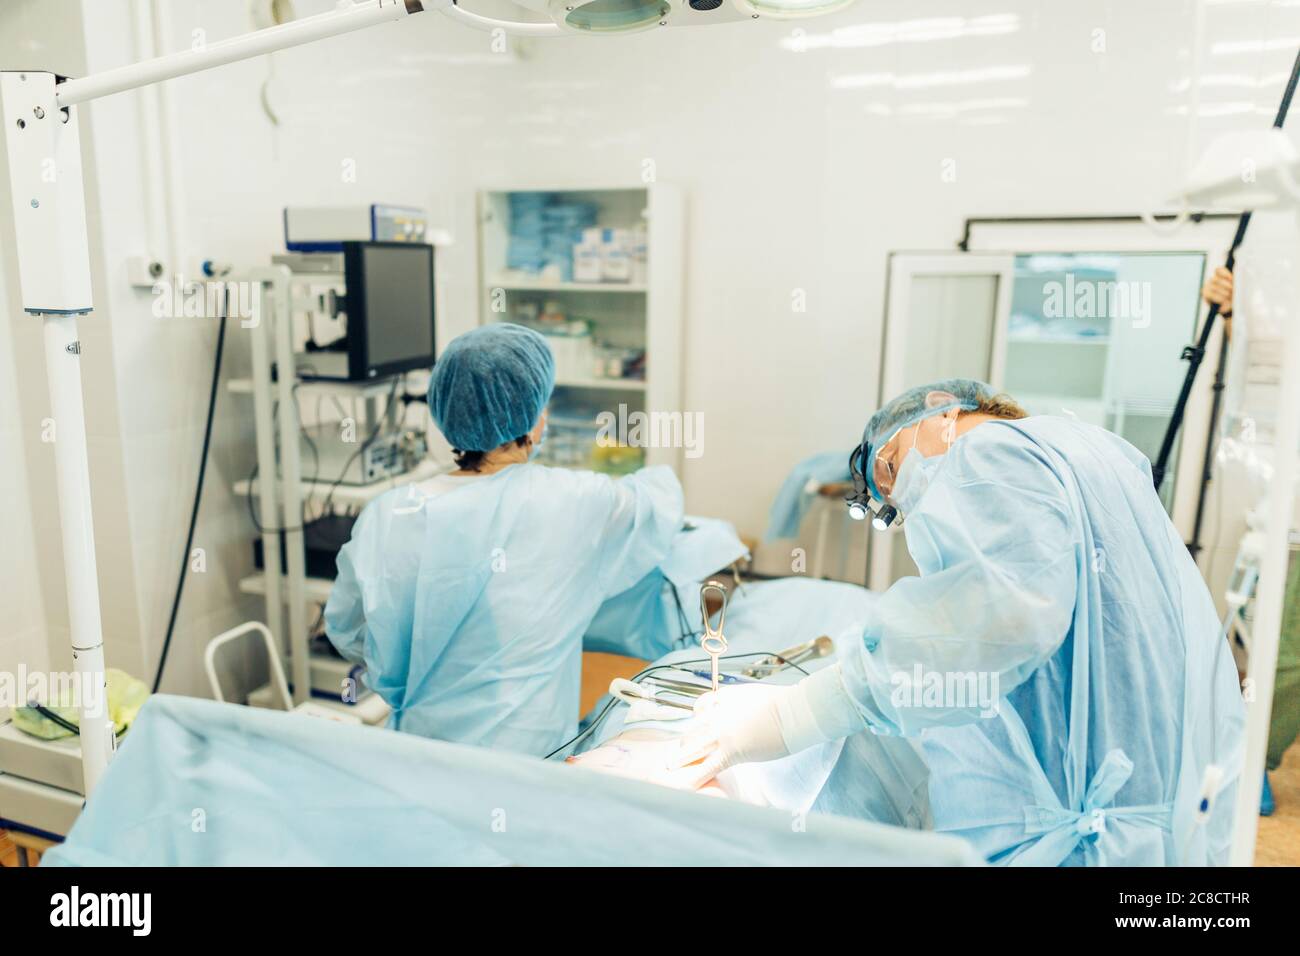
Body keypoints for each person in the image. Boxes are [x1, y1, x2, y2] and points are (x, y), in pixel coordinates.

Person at [676, 378, 1246, 865]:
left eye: (893, 466)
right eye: (891, 506)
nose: (904, 495)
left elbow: (994, 626)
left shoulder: (988, 455)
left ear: (945, 408)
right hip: (1159, 805)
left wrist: (786, 715)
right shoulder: (1088, 448)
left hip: (1083, 825)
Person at [325, 323, 684, 756]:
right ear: (532, 420)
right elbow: (659, 501)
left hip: (422, 756)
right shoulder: (575, 499)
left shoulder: (388, 515)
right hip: (528, 760)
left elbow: (348, 629)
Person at [1202, 265, 1298, 814]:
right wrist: (1235, 313)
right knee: (1287, 659)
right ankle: (1253, 757)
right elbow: (1270, 386)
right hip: (1292, 527)